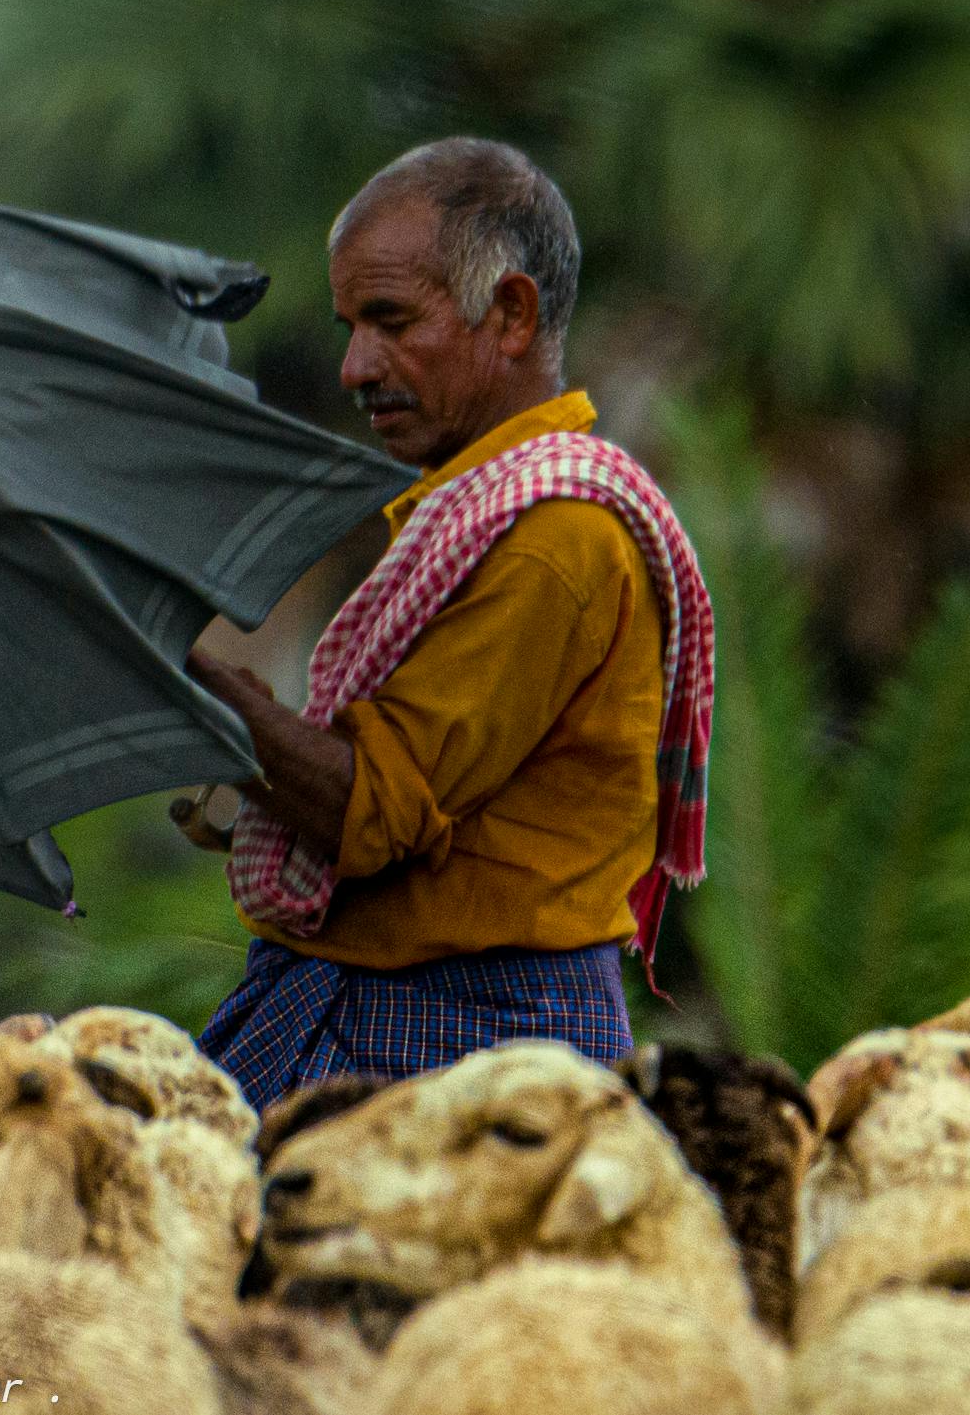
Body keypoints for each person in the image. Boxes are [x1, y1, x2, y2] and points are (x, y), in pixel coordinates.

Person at [183, 137, 714, 1113]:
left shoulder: (557, 536)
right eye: (351, 326)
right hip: (375, 1007)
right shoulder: (476, 514)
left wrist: (193, 680)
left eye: (390, 322)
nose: (354, 366)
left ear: (509, 315)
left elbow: (370, 812)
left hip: (460, 1041)